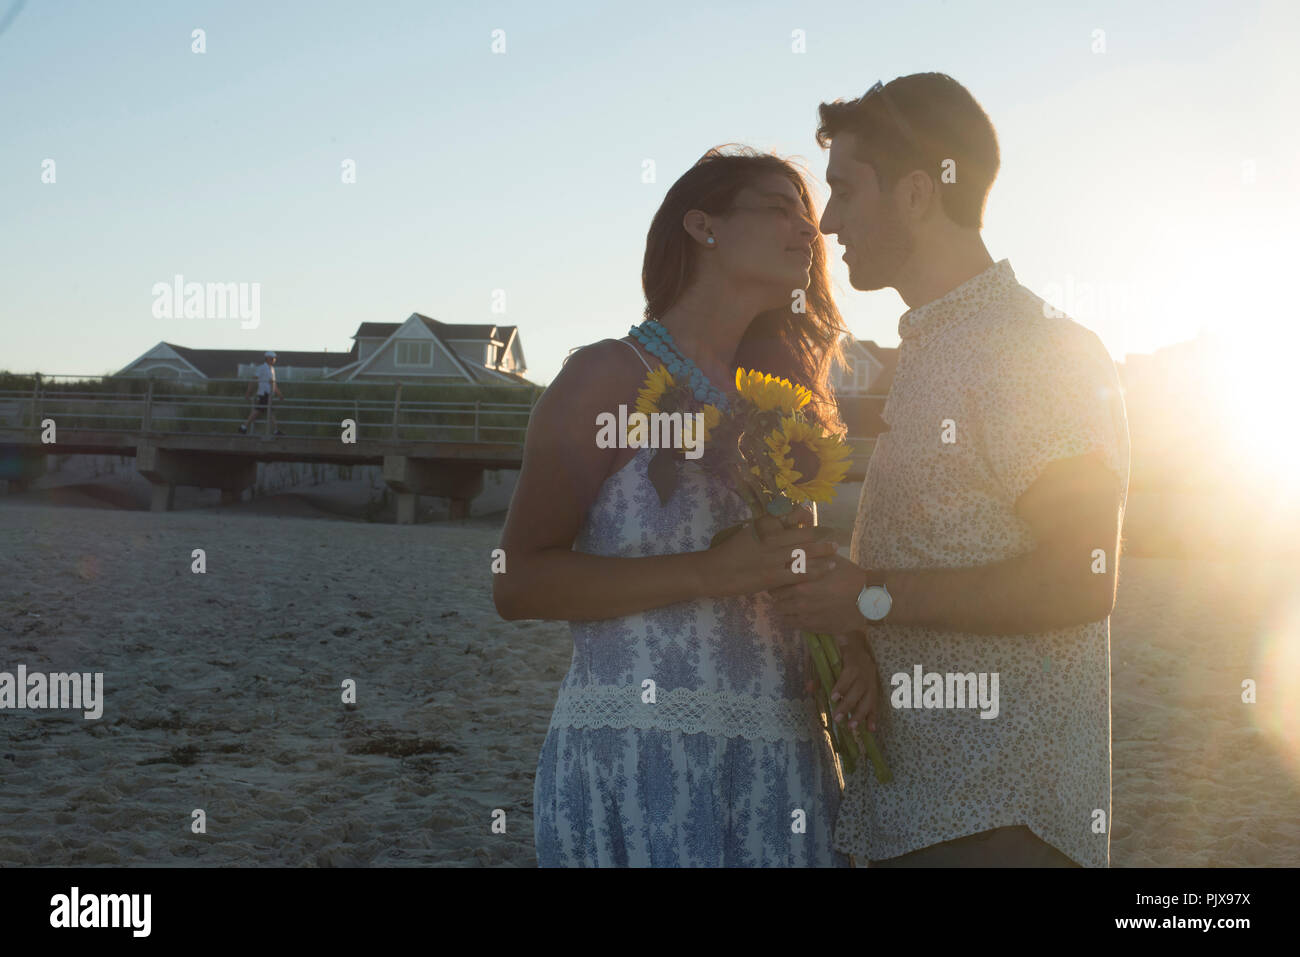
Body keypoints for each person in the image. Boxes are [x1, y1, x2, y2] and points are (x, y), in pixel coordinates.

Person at [767, 73, 1131, 867]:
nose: (828, 223)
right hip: (925, 817)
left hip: (1000, 823)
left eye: (846, 191)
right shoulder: (936, 347)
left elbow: (1081, 575)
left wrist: (867, 593)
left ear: (918, 193)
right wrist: (859, 623)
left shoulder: (1036, 348)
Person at [496, 146, 866, 867]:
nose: (809, 227)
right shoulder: (607, 377)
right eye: (779, 207)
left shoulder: (788, 402)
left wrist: (845, 640)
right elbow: (517, 581)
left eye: (809, 214)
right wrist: (709, 571)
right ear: (703, 225)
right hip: (639, 757)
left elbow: (788, 578)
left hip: (781, 763)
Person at [239, 351, 284, 436]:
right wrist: (248, 392)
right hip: (264, 393)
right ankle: (275, 430)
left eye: (274, 359)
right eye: (272, 358)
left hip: (269, 394)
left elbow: (273, 383)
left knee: (261, 411)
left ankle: (244, 427)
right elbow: (253, 379)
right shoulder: (262, 368)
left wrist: (279, 394)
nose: (274, 360)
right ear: (267, 359)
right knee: (266, 412)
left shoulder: (272, 369)